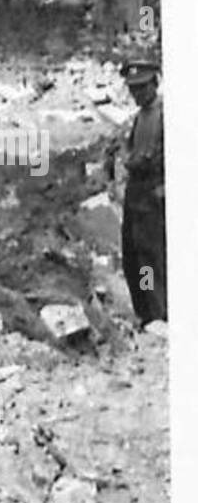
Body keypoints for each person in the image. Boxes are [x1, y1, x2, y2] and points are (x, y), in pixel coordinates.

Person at [110, 59, 166, 325]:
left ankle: (157, 314)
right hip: (136, 197)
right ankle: (144, 311)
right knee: (133, 258)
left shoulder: (164, 115)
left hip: (154, 199)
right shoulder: (139, 118)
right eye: (133, 89)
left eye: (142, 88)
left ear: (154, 83)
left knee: (150, 259)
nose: (138, 94)